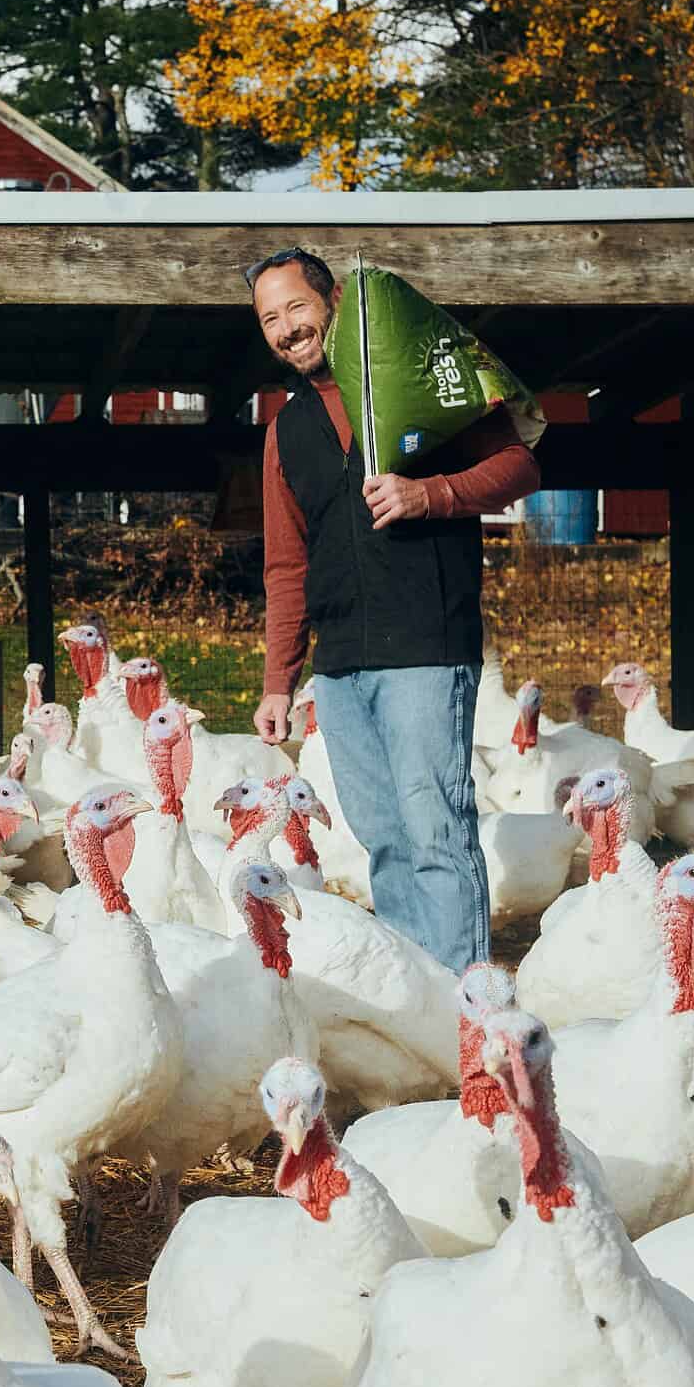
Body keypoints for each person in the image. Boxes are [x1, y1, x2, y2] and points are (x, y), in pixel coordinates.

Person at [246, 247, 540, 970]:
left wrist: (428, 494)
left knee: (434, 829)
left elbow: (519, 464)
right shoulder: (284, 432)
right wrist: (278, 680)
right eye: (268, 319)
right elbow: (286, 564)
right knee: (383, 838)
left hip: (425, 644)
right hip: (340, 665)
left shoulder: (412, 381)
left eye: (295, 308)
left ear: (334, 304)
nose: (286, 329)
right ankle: (423, 991)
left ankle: (464, 1005)